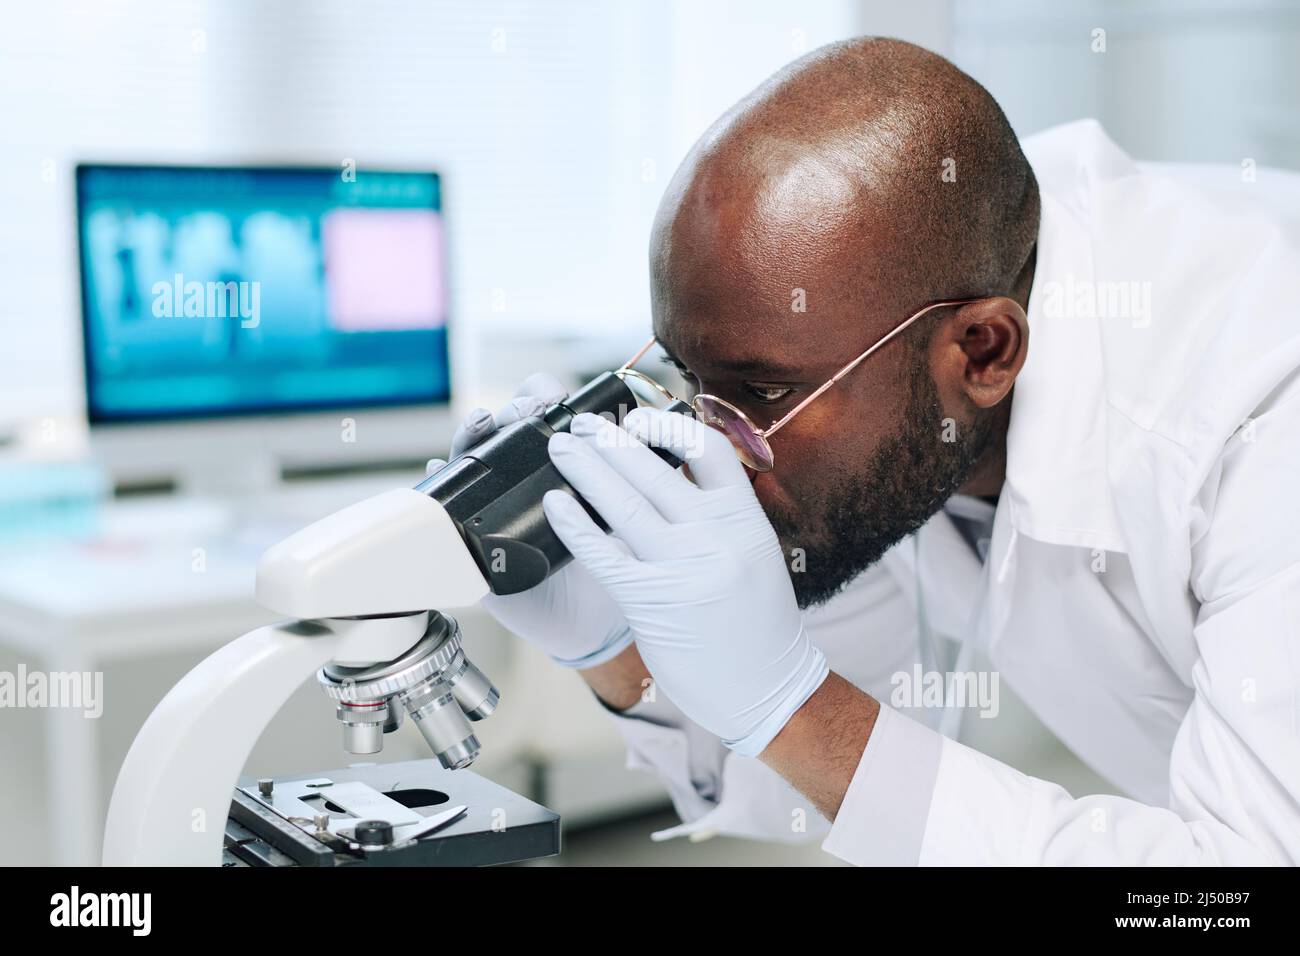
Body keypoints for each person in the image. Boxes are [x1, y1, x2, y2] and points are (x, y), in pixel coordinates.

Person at [439, 37, 1300, 864]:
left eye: (765, 391)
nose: (709, 442)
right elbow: (823, 785)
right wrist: (613, 651)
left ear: (985, 352)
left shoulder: (1257, 422)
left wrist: (790, 706)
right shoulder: (897, 332)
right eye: (681, 370)